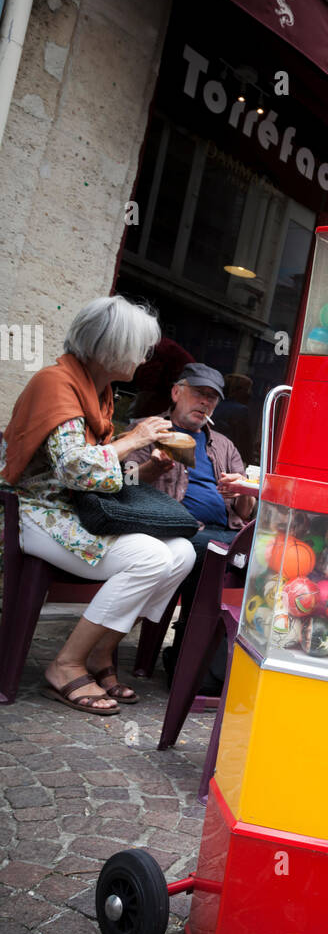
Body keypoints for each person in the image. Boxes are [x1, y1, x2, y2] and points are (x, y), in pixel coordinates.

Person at [0, 297, 196, 714]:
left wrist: (144, 473)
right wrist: (135, 439)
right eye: (140, 348)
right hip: (36, 513)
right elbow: (74, 471)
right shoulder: (56, 384)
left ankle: (100, 652)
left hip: (77, 511)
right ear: (114, 348)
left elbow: (101, 478)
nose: (144, 359)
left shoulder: (98, 391)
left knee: (181, 553)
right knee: (149, 557)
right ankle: (64, 664)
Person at [126, 363, 256, 688]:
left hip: (228, 530)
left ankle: (233, 660)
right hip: (178, 530)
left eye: (212, 398)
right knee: (209, 551)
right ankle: (191, 660)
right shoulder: (149, 429)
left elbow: (245, 510)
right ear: (176, 392)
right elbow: (123, 479)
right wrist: (152, 468)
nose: (205, 403)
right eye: (199, 393)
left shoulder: (223, 445)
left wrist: (241, 490)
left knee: (269, 556)